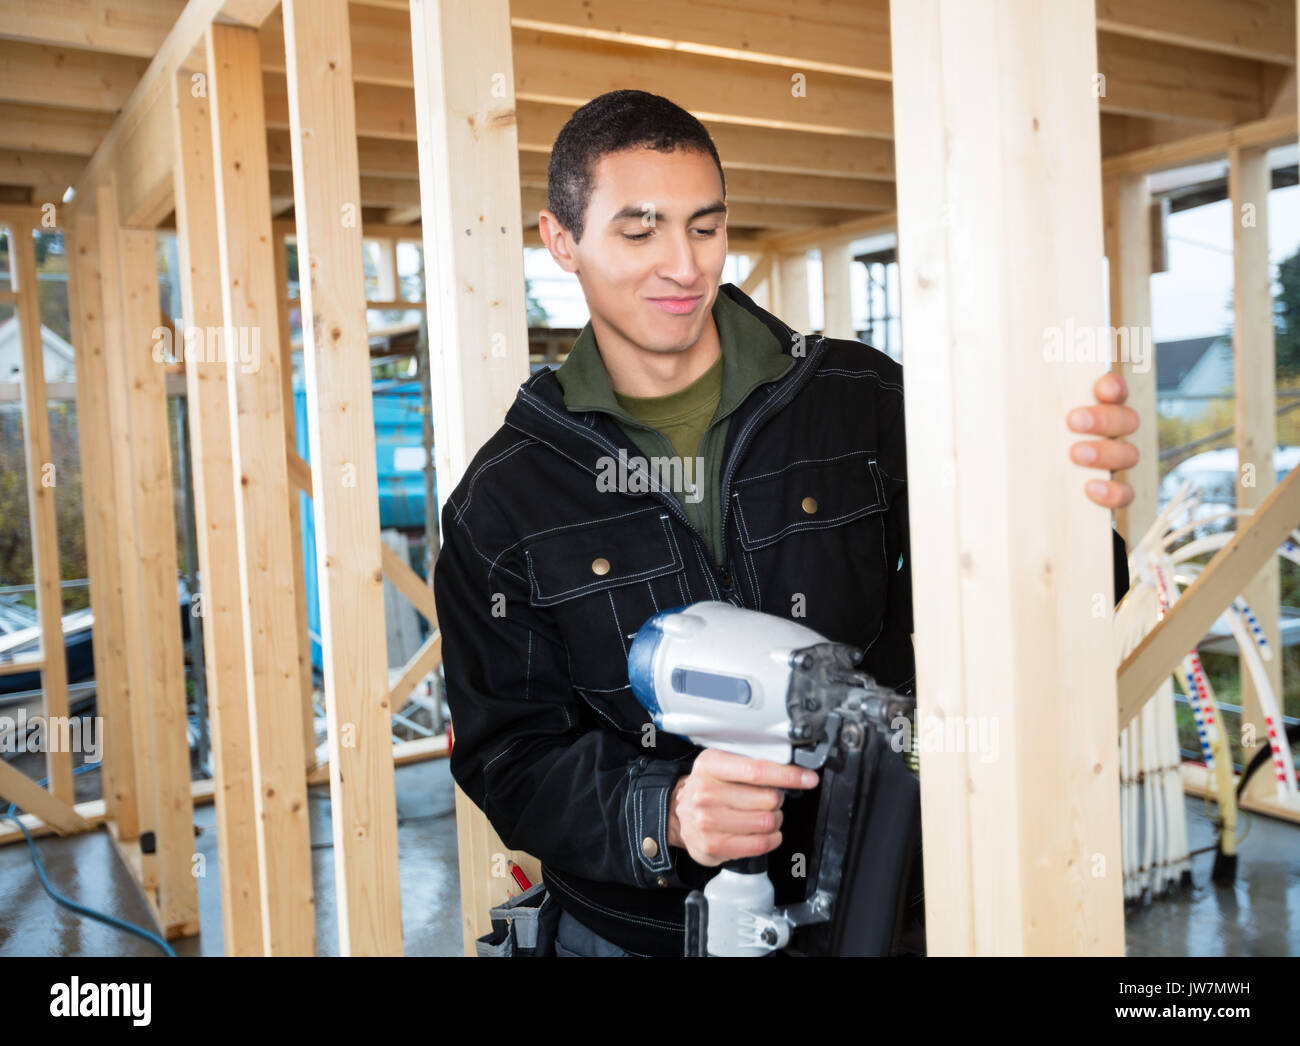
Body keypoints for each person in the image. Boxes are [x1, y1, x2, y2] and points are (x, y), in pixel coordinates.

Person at [431, 90, 1140, 957]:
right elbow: (507, 756)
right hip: (634, 938)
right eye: (639, 230)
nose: (684, 266)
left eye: (705, 225)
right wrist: (665, 811)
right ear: (561, 240)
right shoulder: (504, 499)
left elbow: (1053, 605)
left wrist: (1065, 507)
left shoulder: (861, 400)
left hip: (883, 916)